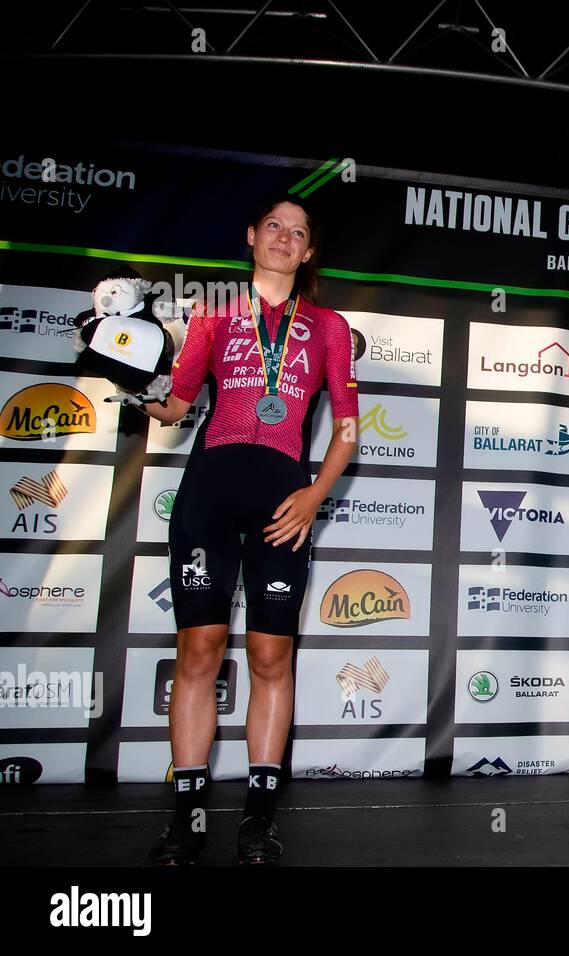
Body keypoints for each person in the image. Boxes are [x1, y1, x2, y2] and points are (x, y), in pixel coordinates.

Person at [139, 196, 359, 863]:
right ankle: (185, 817)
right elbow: (173, 405)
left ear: (309, 251)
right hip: (209, 490)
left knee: (270, 657)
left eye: (298, 233)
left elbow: (348, 430)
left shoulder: (328, 327)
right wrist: (123, 370)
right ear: (251, 237)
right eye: (274, 227)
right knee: (199, 650)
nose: (285, 238)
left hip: (282, 502)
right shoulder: (213, 315)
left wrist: (315, 494)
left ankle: (259, 820)